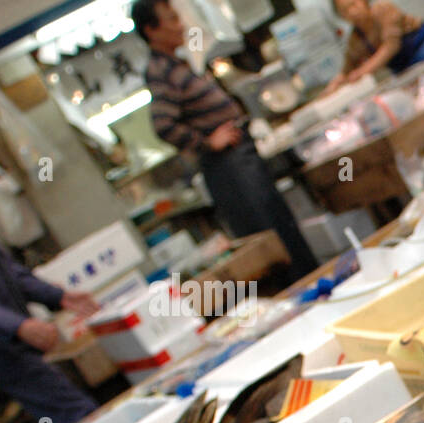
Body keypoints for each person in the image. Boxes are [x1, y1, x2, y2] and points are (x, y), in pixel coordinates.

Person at [133, 0, 319, 283]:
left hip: (238, 154)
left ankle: (317, 283)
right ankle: (306, 293)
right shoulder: (160, 69)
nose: (180, 24)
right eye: (171, 19)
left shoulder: (179, 61)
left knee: (282, 225)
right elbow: (163, 125)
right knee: (270, 235)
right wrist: (208, 142)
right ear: (151, 30)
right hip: (228, 165)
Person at [0, 243, 100, 423]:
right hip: (5, 351)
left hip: (14, 346)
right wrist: (15, 326)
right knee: (77, 414)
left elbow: (8, 272)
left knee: (73, 413)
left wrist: (57, 296)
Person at [325, 0, 424, 93]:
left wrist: (361, 72)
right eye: (345, 11)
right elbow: (346, 69)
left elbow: (391, 46)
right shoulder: (356, 38)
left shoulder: (383, 9)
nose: (352, 12)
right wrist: (333, 86)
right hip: (407, 71)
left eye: (353, 4)